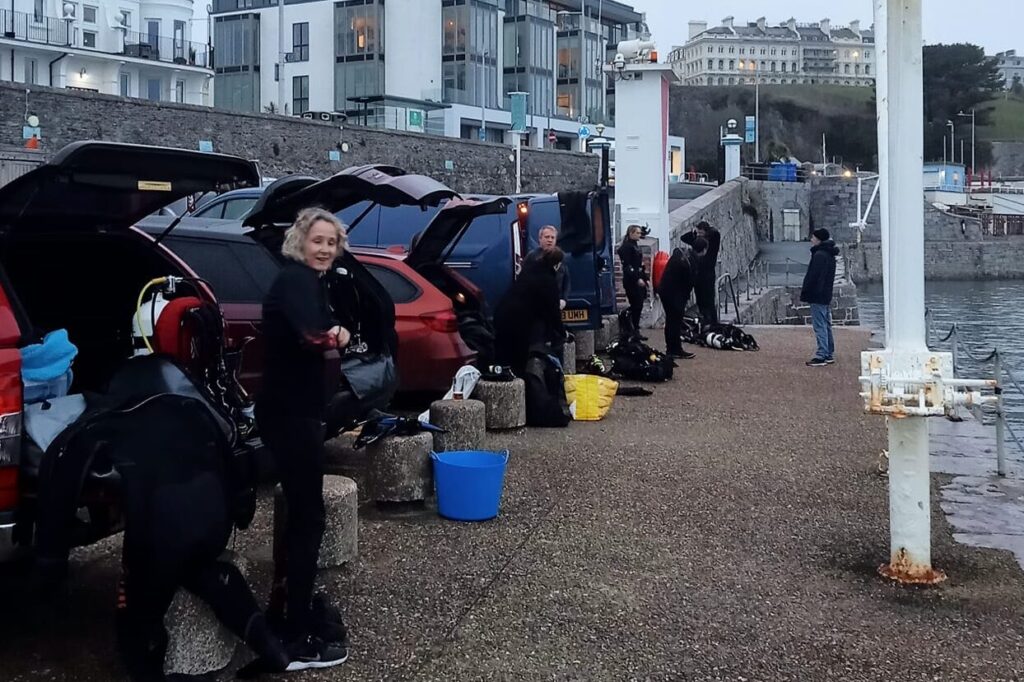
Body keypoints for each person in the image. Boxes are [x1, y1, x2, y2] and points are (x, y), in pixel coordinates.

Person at [256, 207, 352, 670]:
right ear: (300, 241)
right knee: (309, 518)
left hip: (296, 411)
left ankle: (286, 607)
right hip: (289, 414)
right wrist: (337, 336)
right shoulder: (296, 280)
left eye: (332, 242)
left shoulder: (310, 282)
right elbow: (310, 337)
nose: (325, 249)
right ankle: (296, 635)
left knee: (301, 514)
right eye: (318, 240)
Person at [494, 247, 566, 376]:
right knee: (519, 361)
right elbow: (553, 311)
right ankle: (520, 383)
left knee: (502, 358)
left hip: (502, 314)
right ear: (556, 264)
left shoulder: (530, 269)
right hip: (520, 321)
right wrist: (562, 332)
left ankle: (500, 378)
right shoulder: (548, 280)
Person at [657, 237, 704, 360]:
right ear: (703, 250)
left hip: (665, 290)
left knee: (671, 320)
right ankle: (674, 349)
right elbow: (690, 282)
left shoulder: (682, 253)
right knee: (675, 321)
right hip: (675, 294)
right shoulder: (691, 262)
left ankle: (672, 348)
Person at [801, 227, 840, 367]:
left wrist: (808, 291)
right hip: (825, 294)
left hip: (818, 295)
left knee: (820, 325)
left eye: (813, 237)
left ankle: (822, 354)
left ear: (818, 239)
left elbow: (814, 277)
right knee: (825, 324)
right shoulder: (829, 254)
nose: (811, 239)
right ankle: (828, 352)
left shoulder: (819, 255)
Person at [682, 220, 721, 326]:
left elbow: (715, 233)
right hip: (698, 277)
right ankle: (705, 322)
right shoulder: (697, 242)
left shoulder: (712, 242)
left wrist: (705, 234)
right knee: (700, 302)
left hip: (708, 276)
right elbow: (684, 238)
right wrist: (694, 233)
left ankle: (713, 323)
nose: (699, 235)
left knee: (709, 302)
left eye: (701, 232)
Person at [524, 225, 571, 309]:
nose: (550, 240)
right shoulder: (532, 257)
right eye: (547, 237)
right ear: (540, 239)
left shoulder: (561, 257)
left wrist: (564, 299)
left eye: (553, 237)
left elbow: (566, 280)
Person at [617, 225, 648, 336]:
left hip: (638, 277)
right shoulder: (627, 247)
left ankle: (635, 329)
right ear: (631, 233)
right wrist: (637, 278)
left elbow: (638, 263)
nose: (639, 235)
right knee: (636, 305)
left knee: (639, 305)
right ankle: (630, 326)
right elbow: (628, 266)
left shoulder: (635, 245)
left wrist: (644, 276)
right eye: (637, 233)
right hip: (631, 281)